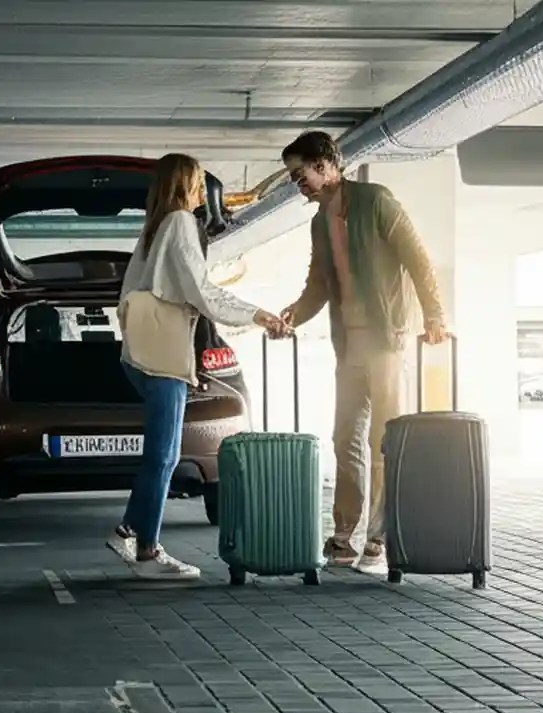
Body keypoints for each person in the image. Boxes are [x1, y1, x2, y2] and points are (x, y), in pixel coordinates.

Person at [109, 153, 291, 580]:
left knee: (162, 453)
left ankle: (129, 529)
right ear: (186, 185)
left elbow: (142, 290)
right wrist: (257, 315)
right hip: (164, 355)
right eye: (198, 182)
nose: (201, 191)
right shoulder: (180, 223)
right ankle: (148, 553)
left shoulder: (154, 228)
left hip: (141, 353)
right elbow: (201, 291)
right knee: (164, 455)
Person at [278, 131, 448, 573]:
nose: (299, 184)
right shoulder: (319, 223)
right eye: (294, 177)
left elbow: (417, 259)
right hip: (348, 347)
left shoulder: (376, 202)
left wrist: (434, 315)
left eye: (301, 174)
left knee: (384, 442)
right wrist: (292, 316)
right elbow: (317, 284)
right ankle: (342, 539)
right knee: (345, 439)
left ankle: (378, 541)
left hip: (386, 341)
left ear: (326, 165)